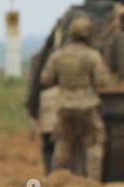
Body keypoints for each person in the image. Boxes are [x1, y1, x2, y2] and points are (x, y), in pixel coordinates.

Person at [39, 17, 110, 176]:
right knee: (93, 143)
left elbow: (46, 79)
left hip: (64, 105)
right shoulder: (92, 56)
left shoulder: (58, 56)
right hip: (87, 106)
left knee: (63, 143)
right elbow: (102, 81)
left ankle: (58, 179)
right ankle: (93, 181)